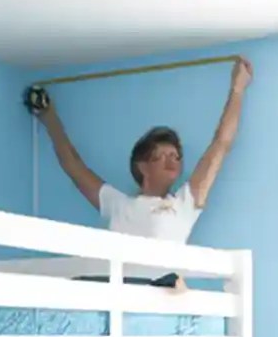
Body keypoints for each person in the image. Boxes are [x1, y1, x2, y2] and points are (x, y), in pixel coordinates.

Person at [32, 56, 253, 291]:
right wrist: (49, 117)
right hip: (112, 290)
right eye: (163, 155)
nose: (173, 161)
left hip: (154, 291)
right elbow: (73, 165)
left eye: (176, 156)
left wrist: (237, 88)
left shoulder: (183, 204)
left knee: (172, 284)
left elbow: (221, 144)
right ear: (142, 165)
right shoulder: (116, 203)